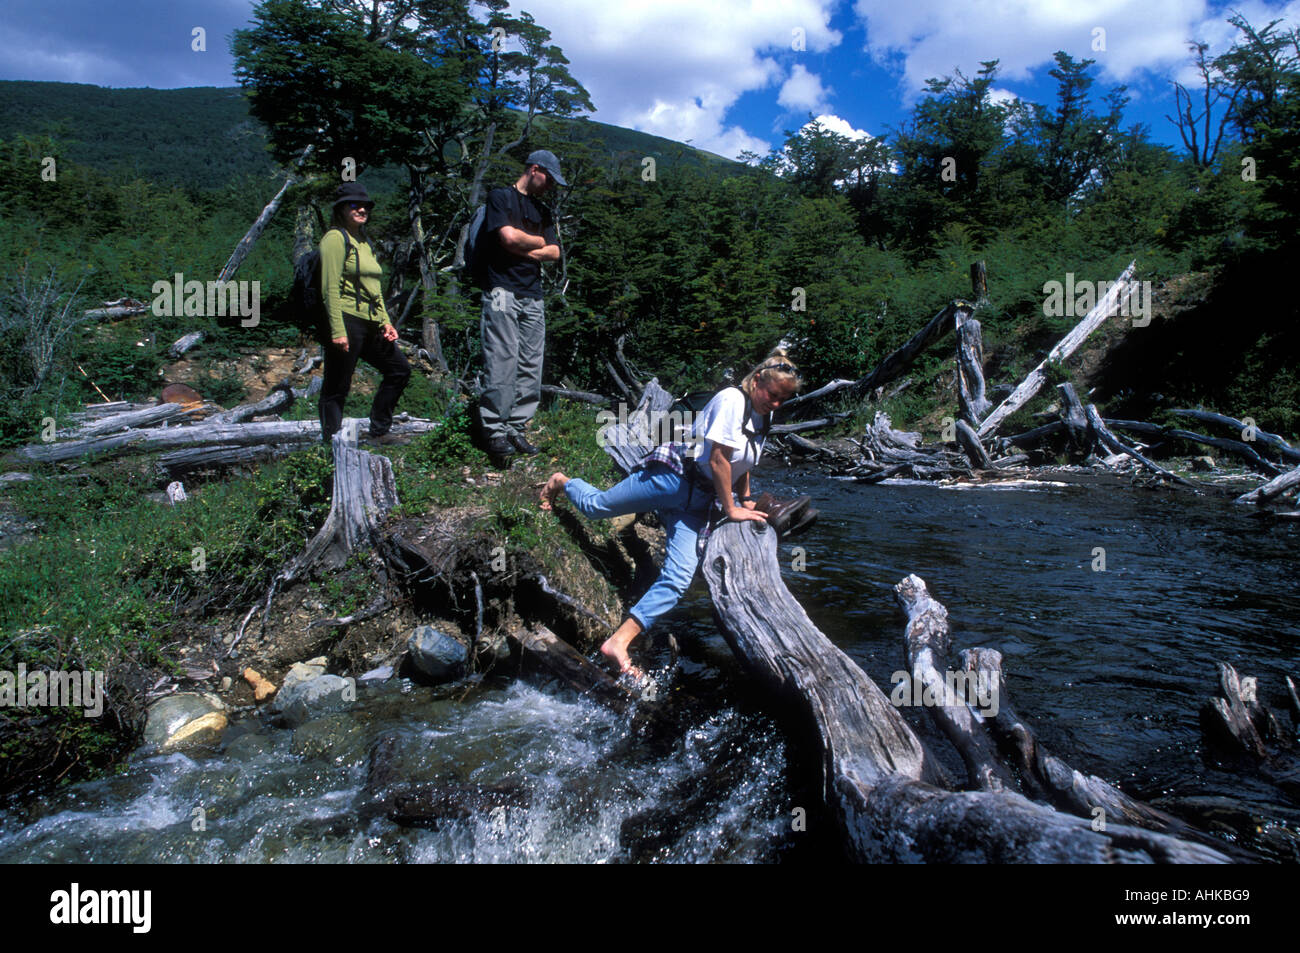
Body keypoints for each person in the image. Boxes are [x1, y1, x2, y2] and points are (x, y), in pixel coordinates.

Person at [539, 350, 802, 677]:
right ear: (758, 379)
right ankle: (562, 482)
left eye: (783, 399)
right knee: (599, 508)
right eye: (772, 395)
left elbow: (742, 462)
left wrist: (745, 498)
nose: (775, 403)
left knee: (678, 580)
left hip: (698, 501)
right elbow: (719, 458)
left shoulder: (765, 415)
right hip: (671, 477)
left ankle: (618, 642)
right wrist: (732, 509)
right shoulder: (732, 400)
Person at [478, 149, 565, 464]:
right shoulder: (500, 197)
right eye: (550, 179)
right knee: (502, 358)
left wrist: (530, 246)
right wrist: (537, 242)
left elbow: (554, 252)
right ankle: (494, 430)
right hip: (501, 289)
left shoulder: (542, 210)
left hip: (533, 293)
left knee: (531, 362)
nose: (551, 186)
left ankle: (517, 427)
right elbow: (507, 236)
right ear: (534, 169)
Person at [318, 182, 410, 446]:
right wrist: (337, 330)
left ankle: (379, 431)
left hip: (371, 322)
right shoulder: (335, 239)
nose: (361, 209)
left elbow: (374, 288)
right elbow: (330, 288)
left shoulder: (363, 242)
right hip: (346, 319)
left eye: (365, 205)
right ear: (341, 209)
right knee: (337, 386)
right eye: (354, 204)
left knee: (399, 370)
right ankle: (332, 444)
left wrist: (385, 321)